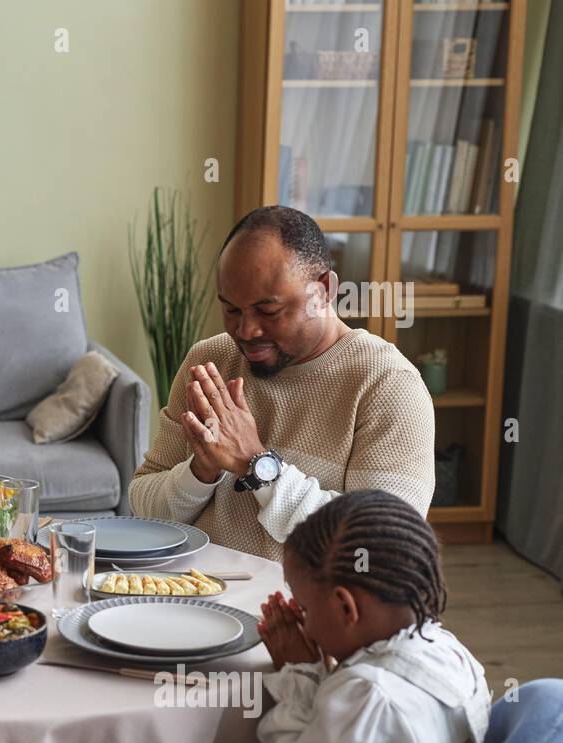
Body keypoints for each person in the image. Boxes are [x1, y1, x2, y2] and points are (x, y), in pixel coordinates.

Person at [129, 206, 435, 562]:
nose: (246, 331)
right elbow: (144, 510)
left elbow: (384, 548)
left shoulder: (387, 385)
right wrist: (200, 471)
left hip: (299, 614)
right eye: (231, 309)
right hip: (190, 599)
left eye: (268, 311)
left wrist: (256, 464)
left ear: (323, 291)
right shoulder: (209, 362)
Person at [211, 491, 490, 743]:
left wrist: (299, 676)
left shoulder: (375, 698)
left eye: (306, 609)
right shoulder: (448, 650)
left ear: (346, 606)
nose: (305, 625)